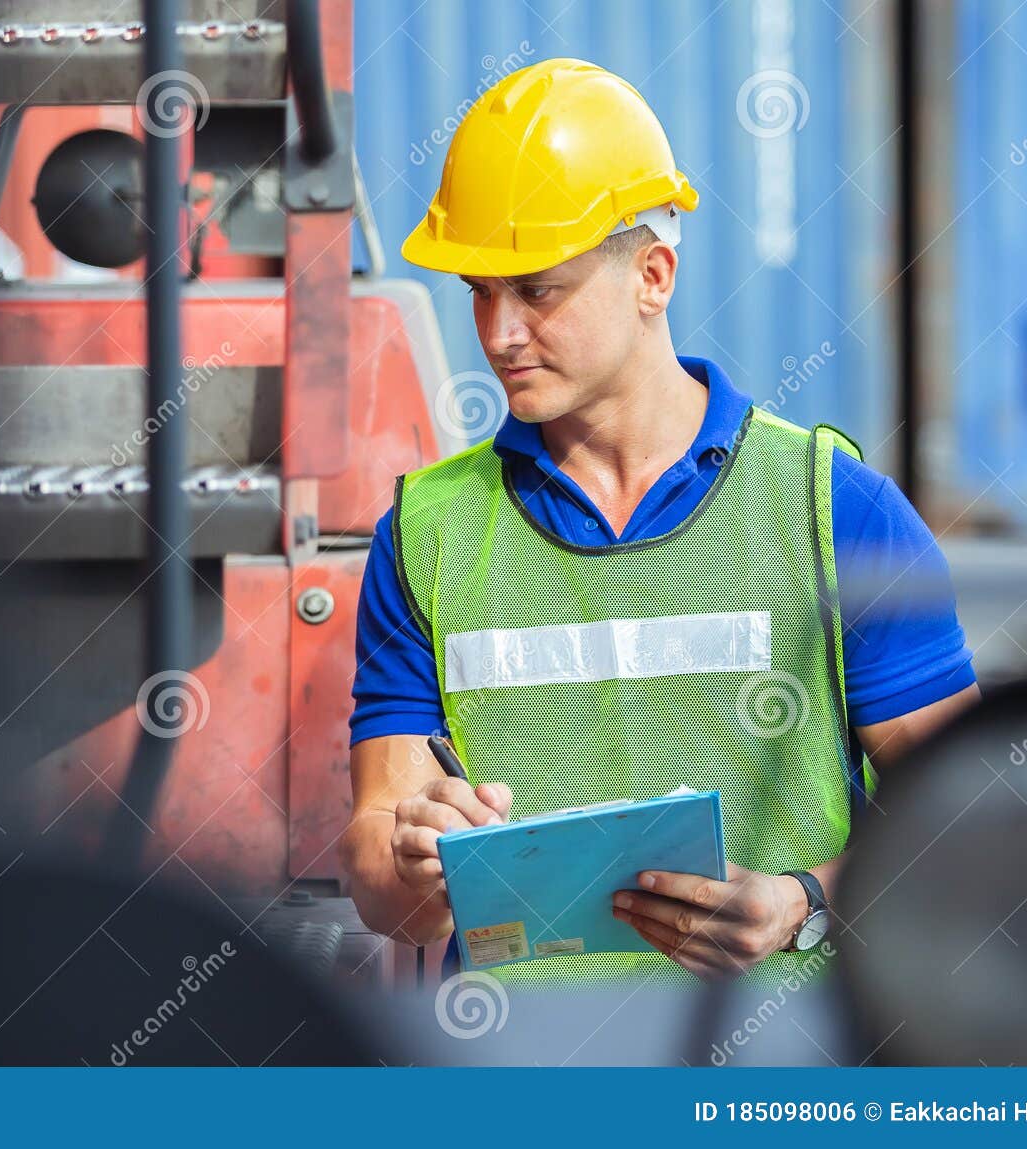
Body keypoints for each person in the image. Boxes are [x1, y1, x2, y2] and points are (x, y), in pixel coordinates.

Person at [344, 58, 979, 985]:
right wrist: (412, 863)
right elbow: (376, 875)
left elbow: (972, 823)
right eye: (480, 290)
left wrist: (803, 903)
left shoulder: (833, 508)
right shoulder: (425, 533)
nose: (498, 333)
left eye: (538, 289)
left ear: (652, 274)